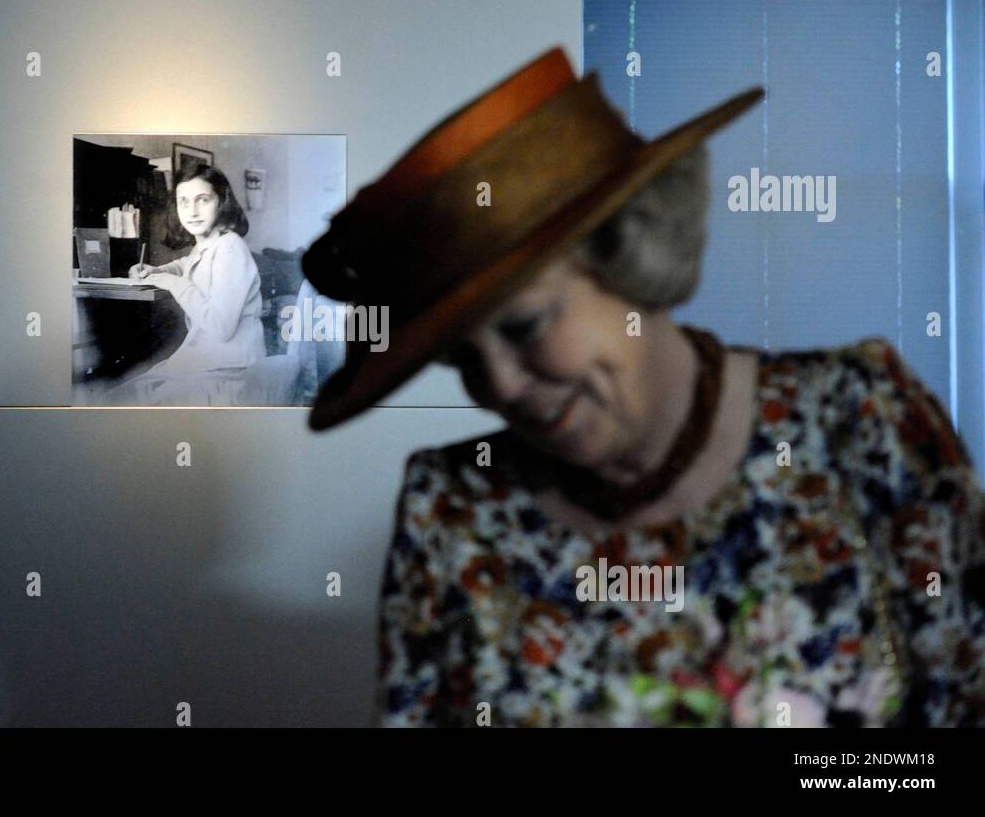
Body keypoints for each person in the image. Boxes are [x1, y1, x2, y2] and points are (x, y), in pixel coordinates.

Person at [299, 46, 985, 727]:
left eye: (525, 324)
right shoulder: (450, 508)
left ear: (634, 255)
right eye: (462, 358)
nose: (500, 386)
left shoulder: (860, 415)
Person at [122, 162, 267, 405]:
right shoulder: (210, 244)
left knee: (129, 399)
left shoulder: (230, 248)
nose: (193, 211)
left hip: (231, 371)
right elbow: (190, 263)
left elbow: (221, 326)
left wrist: (172, 282)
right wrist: (159, 269)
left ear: (221, 202)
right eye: (184, 201)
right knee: (129, 392)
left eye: (203, 200)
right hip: (210, 361)